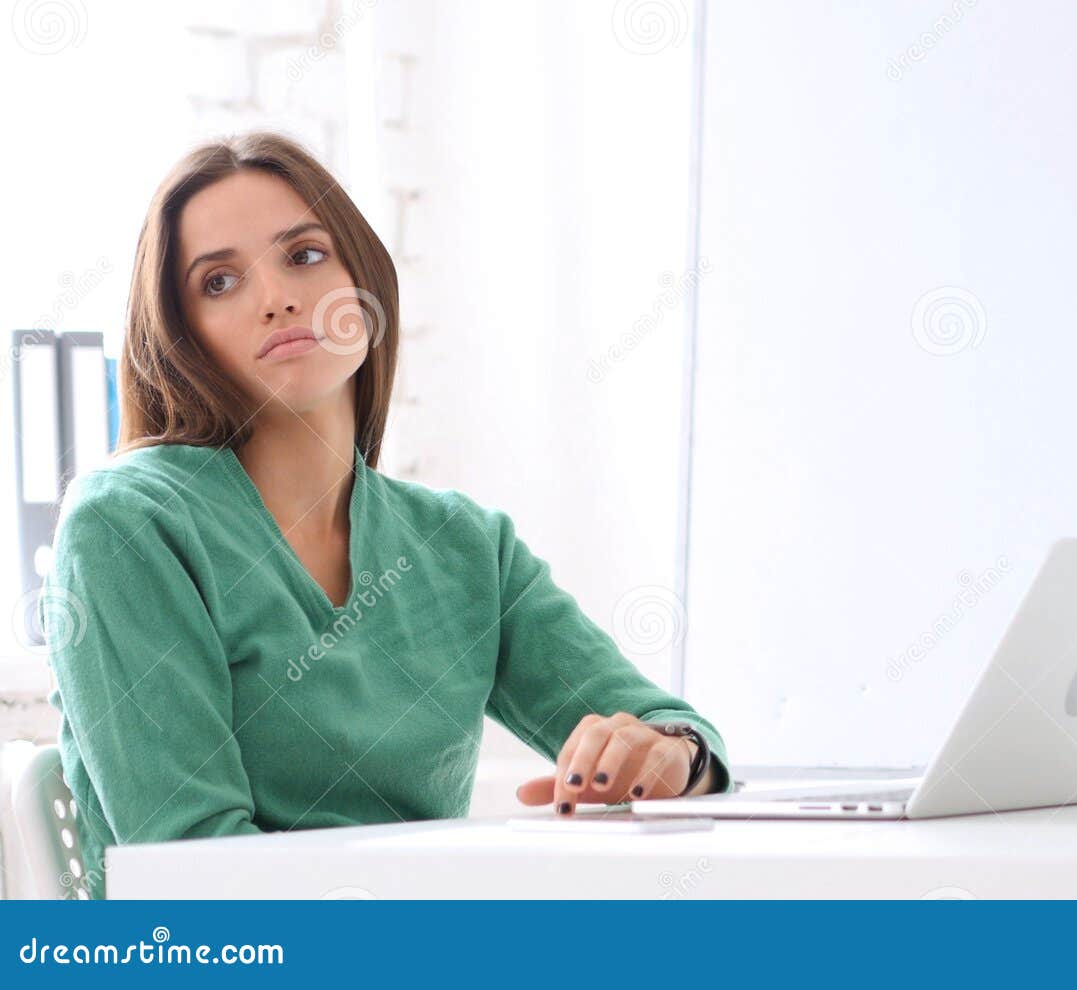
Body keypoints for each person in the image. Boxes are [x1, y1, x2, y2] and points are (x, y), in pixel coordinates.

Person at [42, 131, 729, 899]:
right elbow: (197, 873)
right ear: (179, 336)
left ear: (363, 282)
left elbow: (678, 730)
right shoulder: (129, 525)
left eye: (303, 255)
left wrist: (671, 755)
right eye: (220, 282)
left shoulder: (465, 546)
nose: (276, 296)